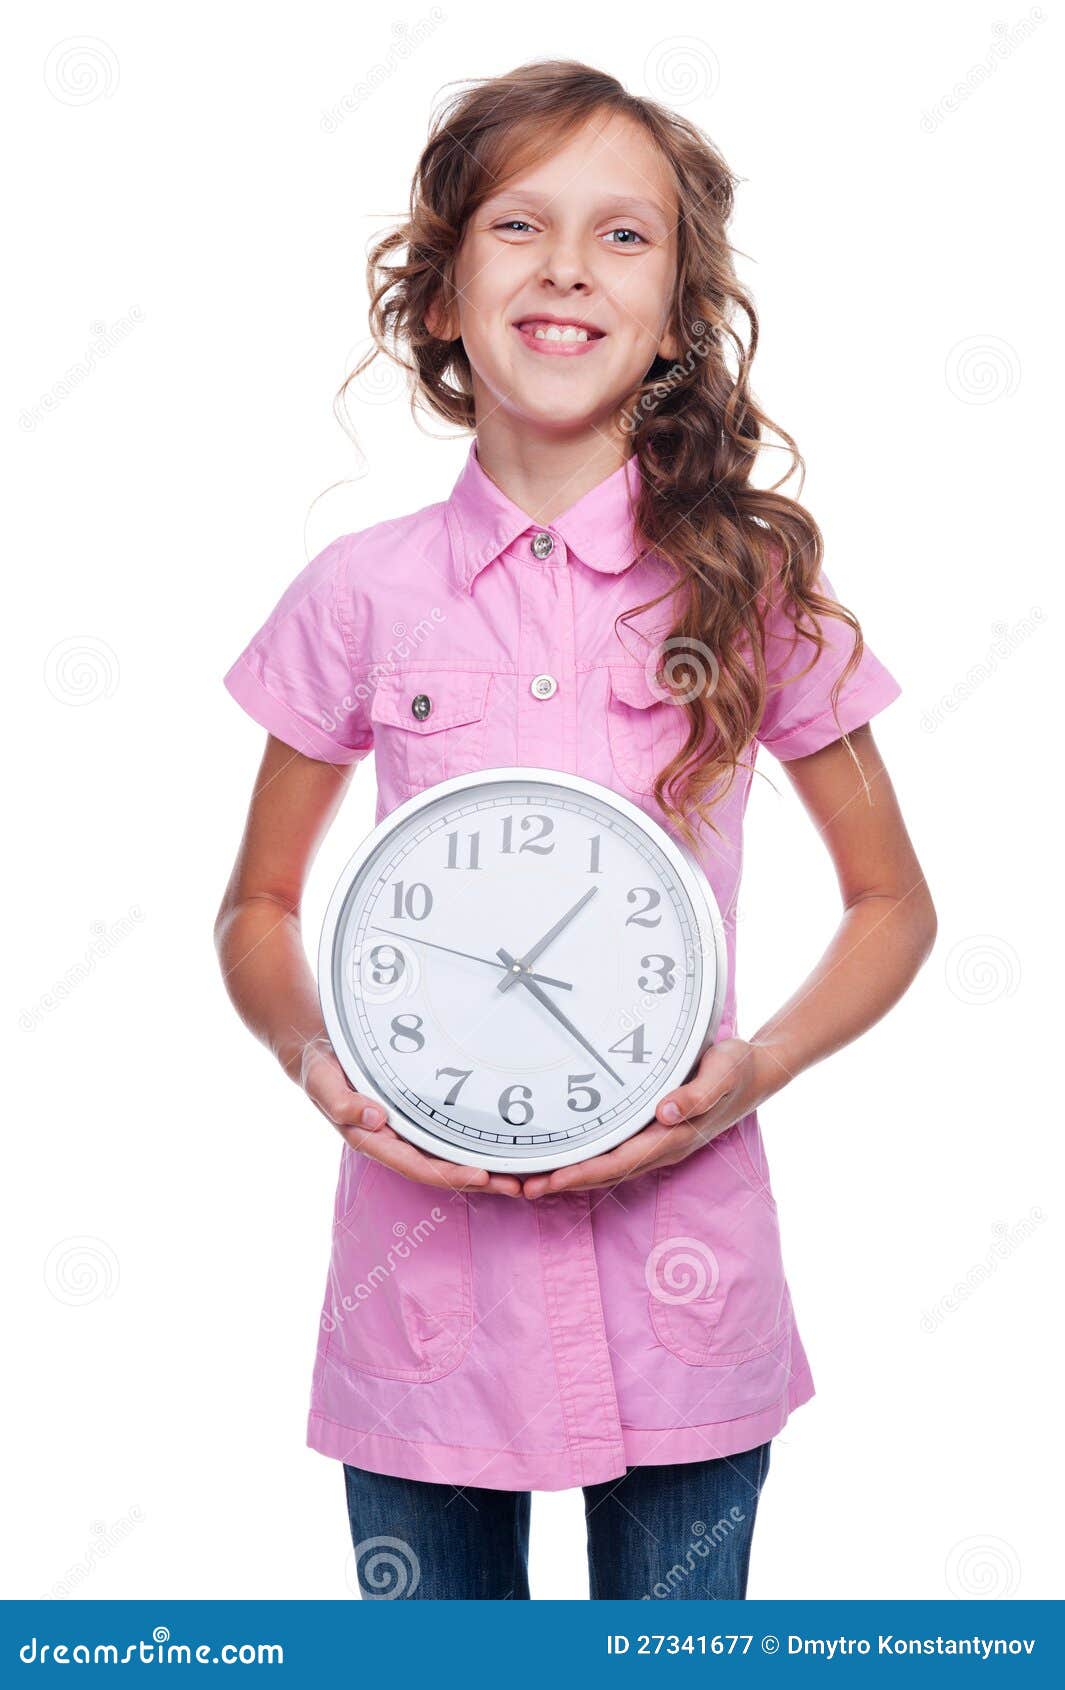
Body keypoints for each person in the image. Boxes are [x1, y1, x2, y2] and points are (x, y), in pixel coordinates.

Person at [214, 59, 937, 1601]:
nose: (562, 267)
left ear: (677, 311)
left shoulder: (750, 592)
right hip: (426, 1288)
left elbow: (890, 902)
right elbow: (257, 911)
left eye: (622, 237)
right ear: (439, 295)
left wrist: (758, 1067)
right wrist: (315, 1063)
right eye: (517, 225)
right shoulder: (359, 593)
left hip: (685, 1276)